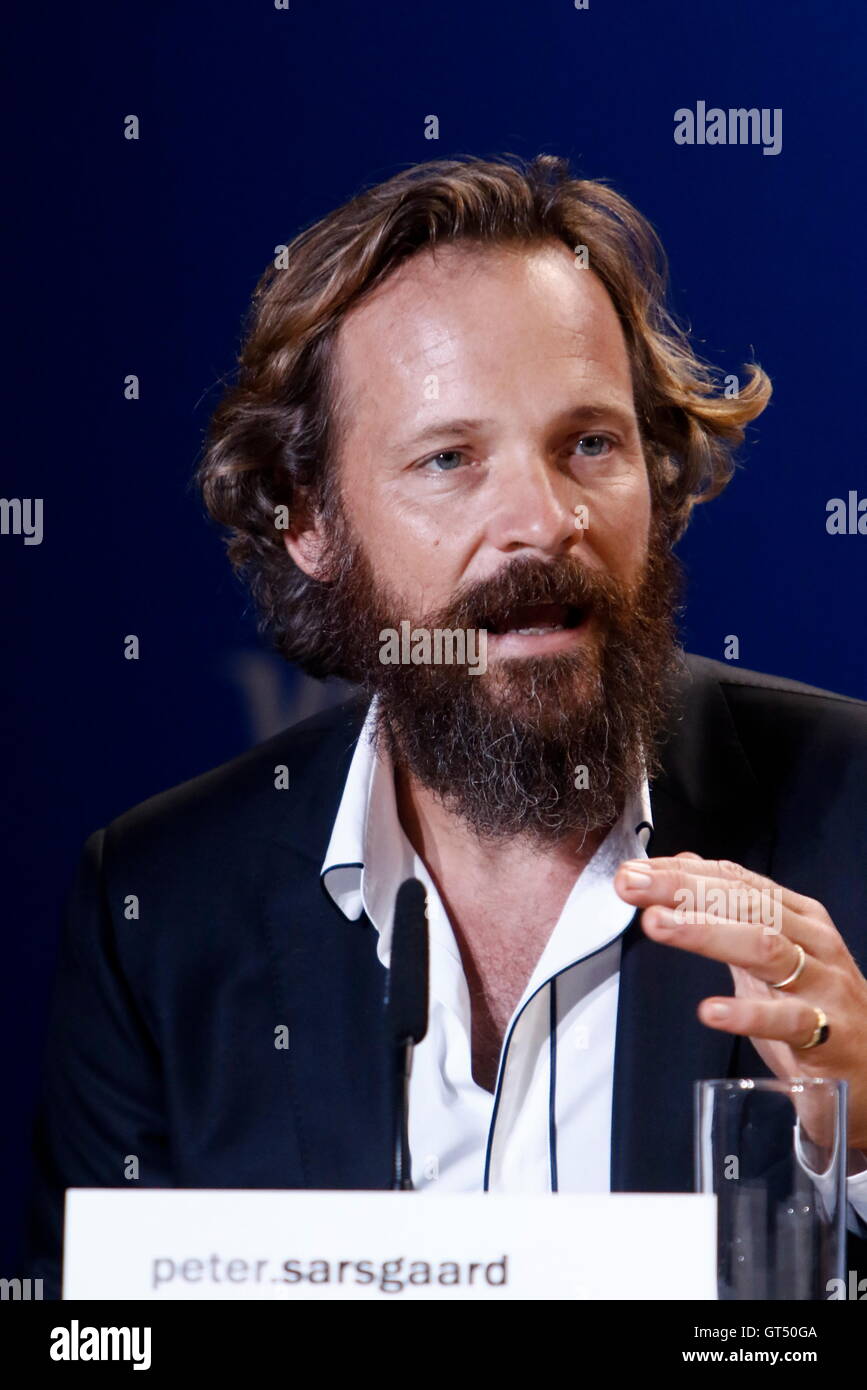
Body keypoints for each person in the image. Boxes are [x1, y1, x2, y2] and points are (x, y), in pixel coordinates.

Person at [28, 154, 867, 1296]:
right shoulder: (159, 913)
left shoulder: (854, 816)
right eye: (449, 458)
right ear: (312, 521)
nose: (542, 520)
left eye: (590, 442)